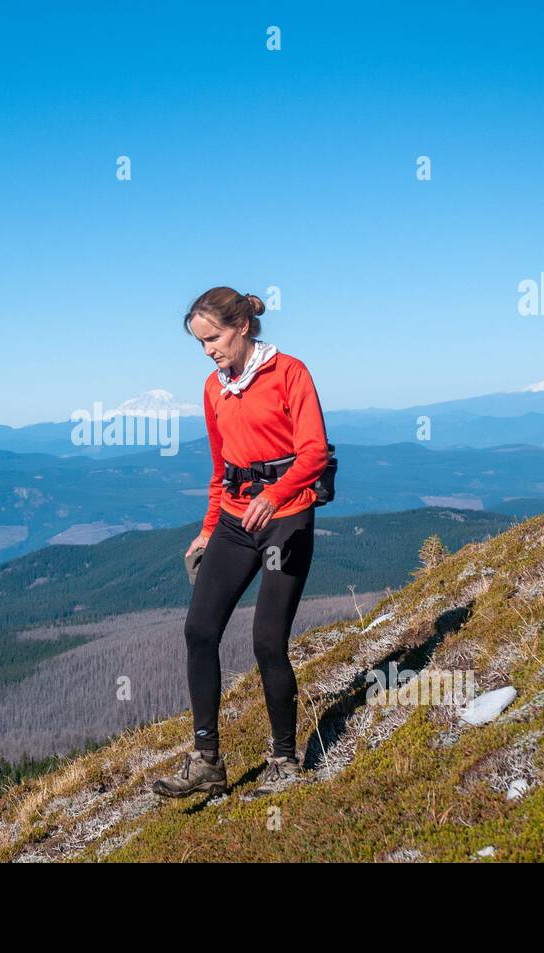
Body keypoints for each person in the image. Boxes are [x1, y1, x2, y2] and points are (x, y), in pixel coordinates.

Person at [153, 287, 330, 800]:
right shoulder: (214, 387)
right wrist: (208, 529)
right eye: (200, 342)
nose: (207, 349)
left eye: (213, 337)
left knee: (267, 642)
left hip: (286, 519)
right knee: (199, 631)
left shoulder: (289, 373)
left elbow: (314, 452)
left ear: (243, 327)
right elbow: (220, 468)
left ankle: (283, 761)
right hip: (234, 520)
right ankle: (207, 760)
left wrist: (276, 496)